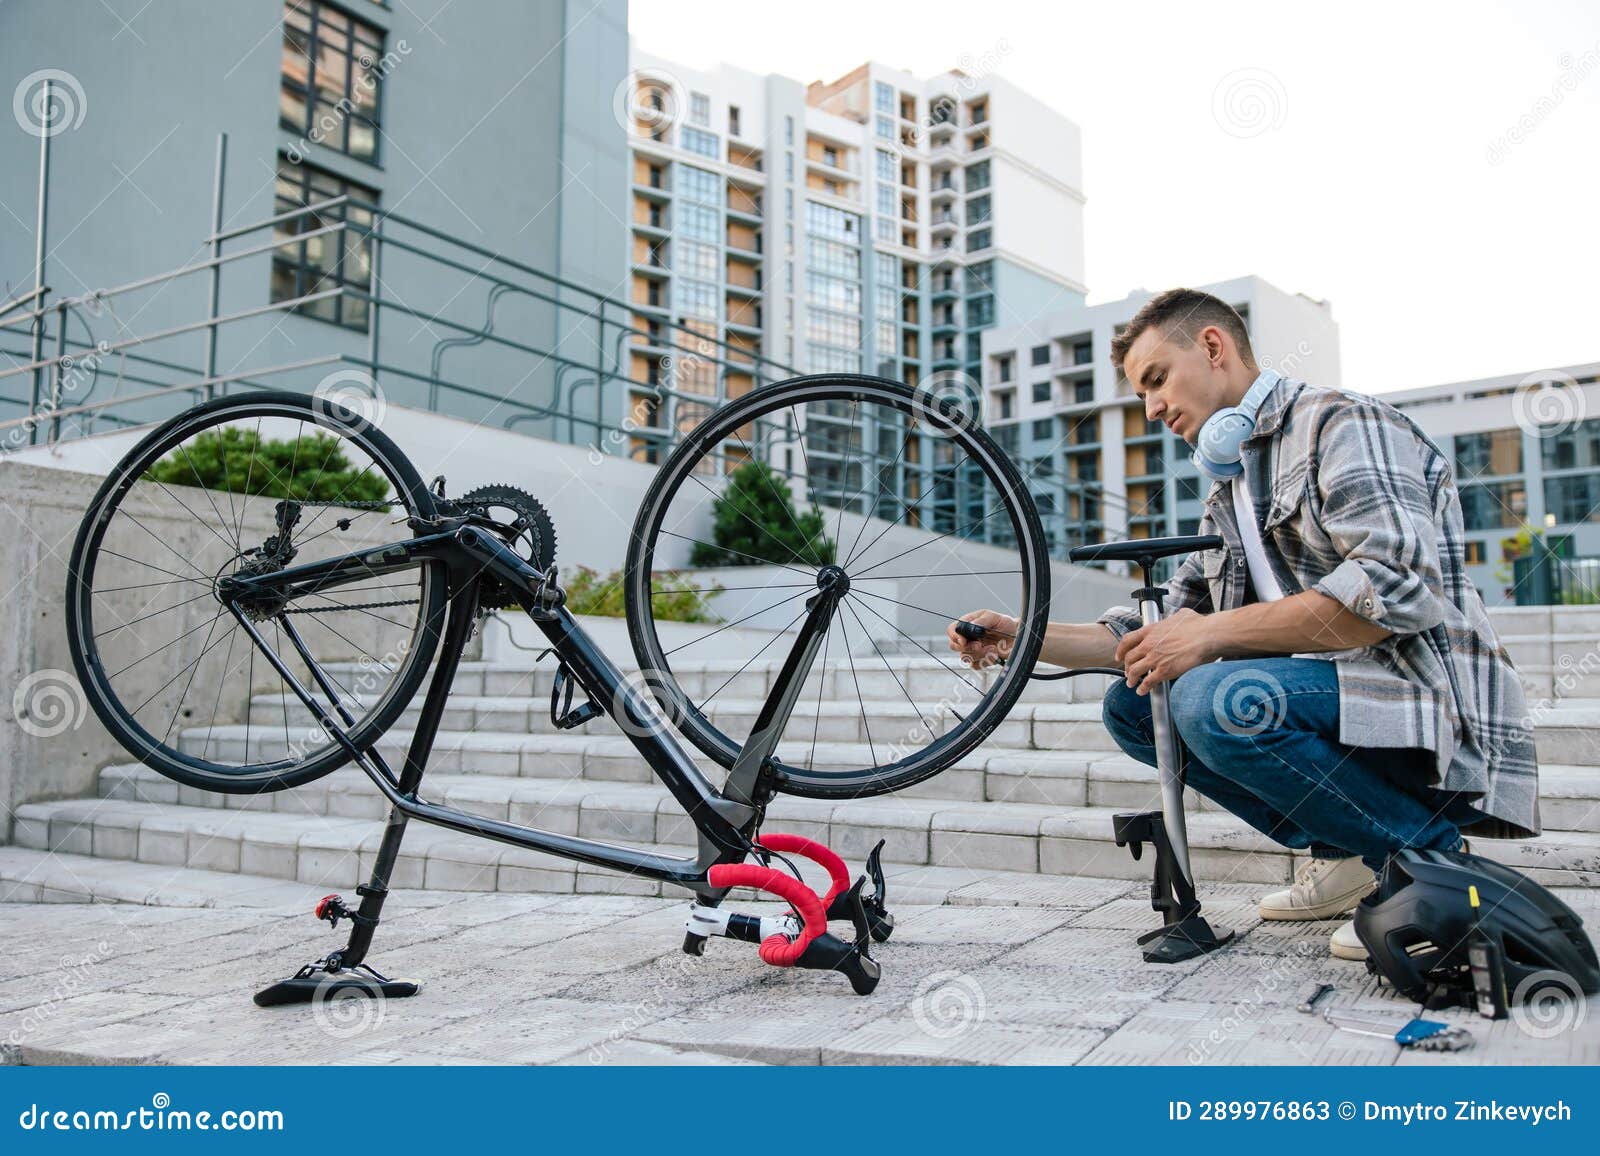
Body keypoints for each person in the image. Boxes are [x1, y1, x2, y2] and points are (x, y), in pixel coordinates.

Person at [948, 288, 1538, 960]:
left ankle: (1427, 862)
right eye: (1142, 393)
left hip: (1422, 700)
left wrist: (1211, 635)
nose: (1152, 408)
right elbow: (1154, 629)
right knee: (1134, 707)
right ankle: (1345, 851)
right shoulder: (1231, 486)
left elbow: (1396, 592)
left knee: (1214, 697)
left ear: (1212, 347)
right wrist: (1020, 635)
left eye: (1157, 379)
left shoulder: (1341, 423)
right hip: (1336, 701)